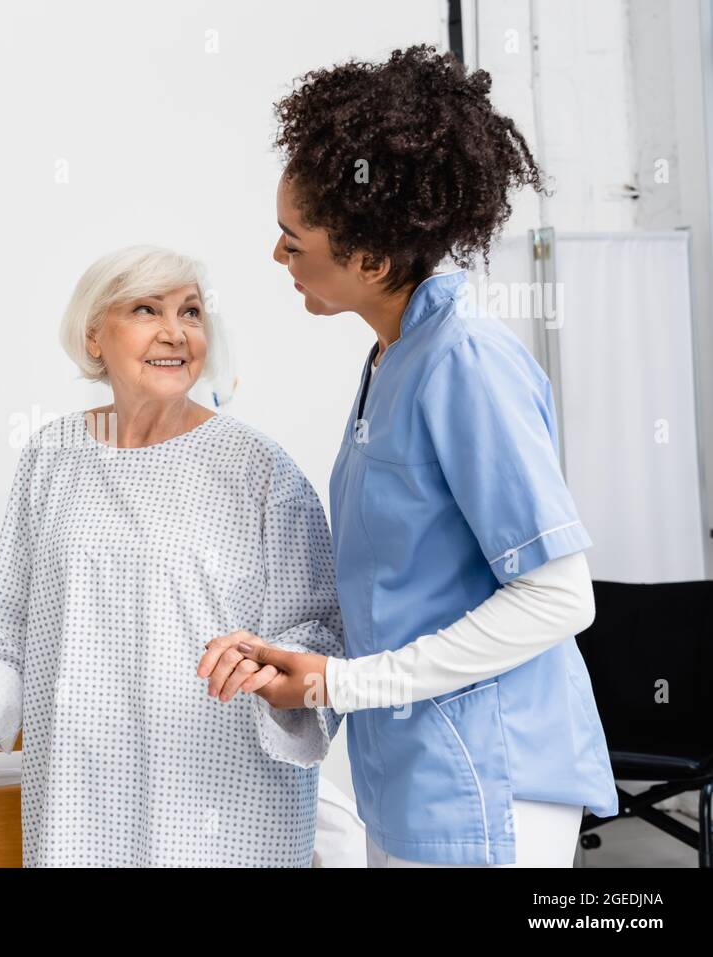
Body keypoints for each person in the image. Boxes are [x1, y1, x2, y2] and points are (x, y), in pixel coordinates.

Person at [213, 44, 619, 867]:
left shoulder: (463, 362)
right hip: (409, 777)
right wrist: (305, 665)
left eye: (294, 240)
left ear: (372, 255)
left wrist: (341, 682)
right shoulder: (392, 362)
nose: (279, 256)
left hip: (492, 777)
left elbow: (557, 597)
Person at [0, 244, 344, 866]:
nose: (175, 333)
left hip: (221, 794)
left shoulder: (260, 470)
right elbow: (10, 638)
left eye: (192, 312)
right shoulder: (51, 456)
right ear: (95, 337)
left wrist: (267, 666)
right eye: (147, 310)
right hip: (79, 790)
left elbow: (319, 635)